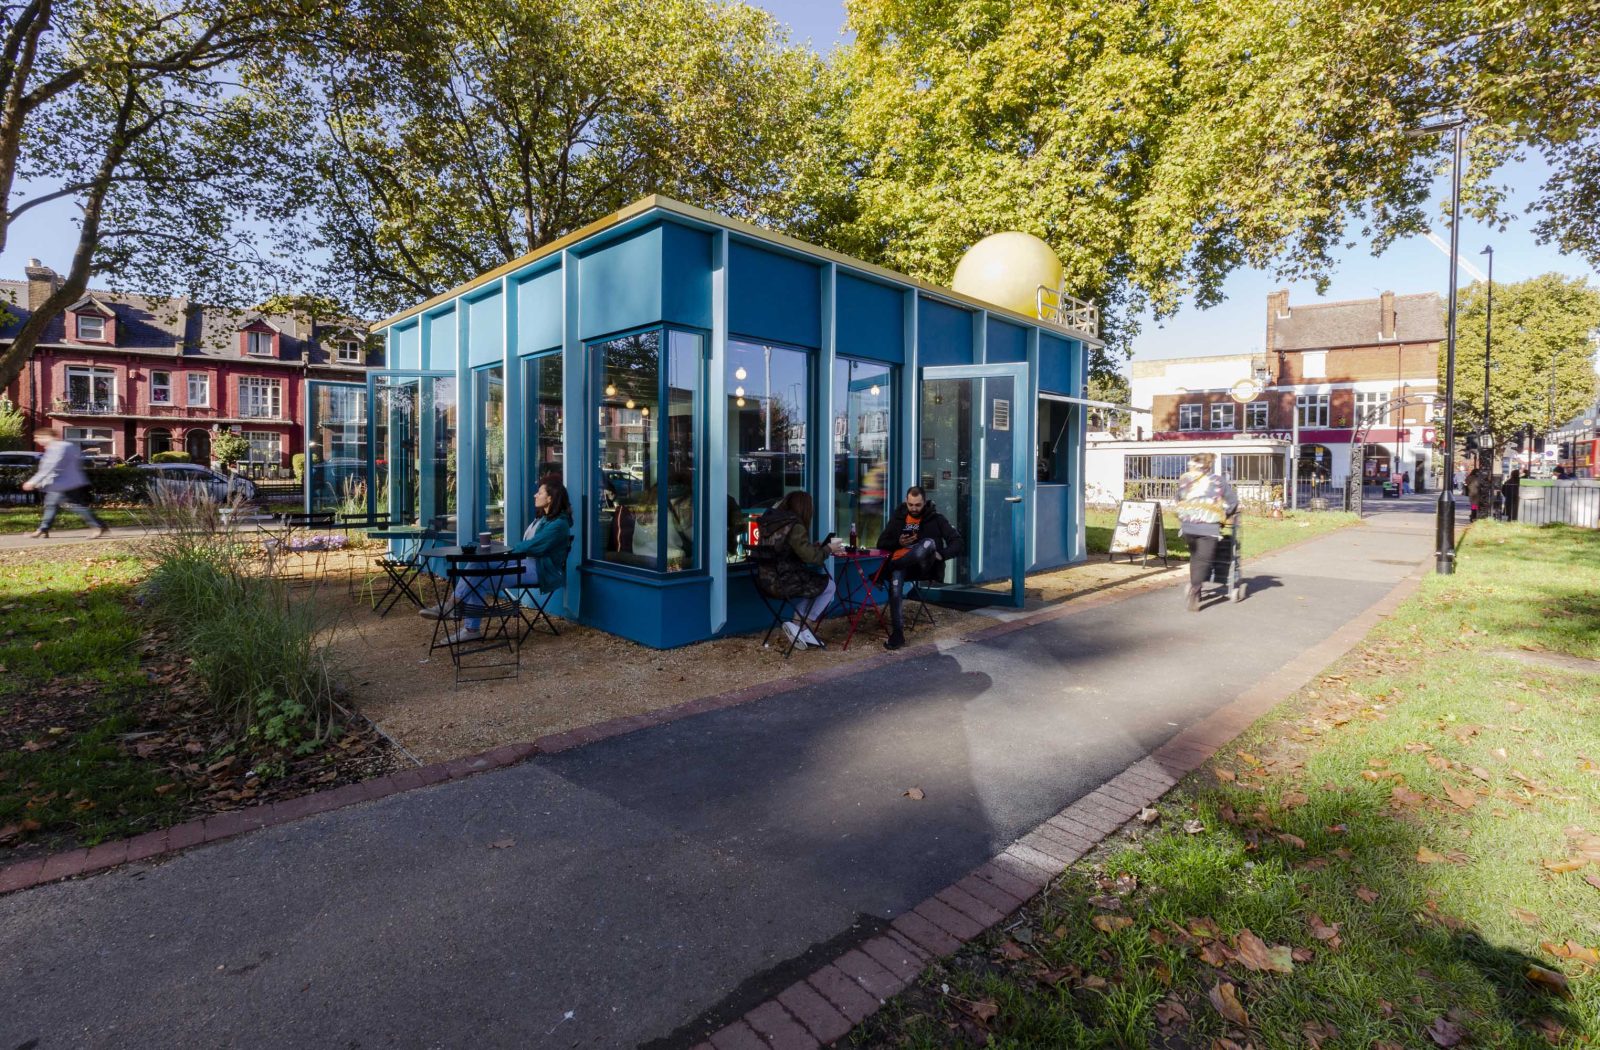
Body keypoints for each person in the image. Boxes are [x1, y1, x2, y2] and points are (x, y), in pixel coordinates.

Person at [422, 477, 571, 643]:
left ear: (551, 497)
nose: (535, 495)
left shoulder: (559, 524)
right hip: (524, 562)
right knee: (477, 564)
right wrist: (501, 548)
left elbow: (533, 546)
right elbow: (527, 546)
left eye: (540, 492)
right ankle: (457, 612)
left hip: (541, 569)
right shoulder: (543, 519)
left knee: (478, 577)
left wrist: (507, 551)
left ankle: (459, 615)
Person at [752, 490, 843, 651]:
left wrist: (812, 548)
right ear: (805, 508)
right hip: (785, 581)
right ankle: (800, 625)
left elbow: (786, 551)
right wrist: (828, 548)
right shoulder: (794, 525)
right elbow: (811, 559)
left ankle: (800, 627)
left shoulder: (770, 523)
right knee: (828, 586)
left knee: (816, 586)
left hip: (765, 581)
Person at [874, 486, 963, 650]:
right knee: (895, 581)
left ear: (924, 502)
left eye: (918, 505)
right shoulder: (898, 517)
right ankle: (898, 634)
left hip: (923, 566)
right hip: (901, 566)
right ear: (906, 502)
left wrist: (941, 554)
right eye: (910, 505)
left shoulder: (936, 519)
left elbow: (957, 542)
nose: (914, 508)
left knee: (928, 543)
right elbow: (881, 543)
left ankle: (886, 570)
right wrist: (898, 543)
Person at [1174, 453, 1239, 612]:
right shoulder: (1218, 481)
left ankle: (1195, 587)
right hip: (1208, 527)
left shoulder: (1185, 480)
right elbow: (1233, 502)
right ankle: (1195, 591)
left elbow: (1178, 498)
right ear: (1209, 466)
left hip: (1188, 526)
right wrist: (1225, 516)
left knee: (1196, 558)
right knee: (1204, 560)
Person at [21, 434, 107, 539]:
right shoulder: (67, 446)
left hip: (63, 484)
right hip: (67, 482)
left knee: (75, 506)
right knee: (51, 505)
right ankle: (43, 529)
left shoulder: (57, 448)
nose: (36, 440)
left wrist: (33, 482)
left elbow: (50, 467)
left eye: (38, 437)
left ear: (47, 436)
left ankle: (99, 526)